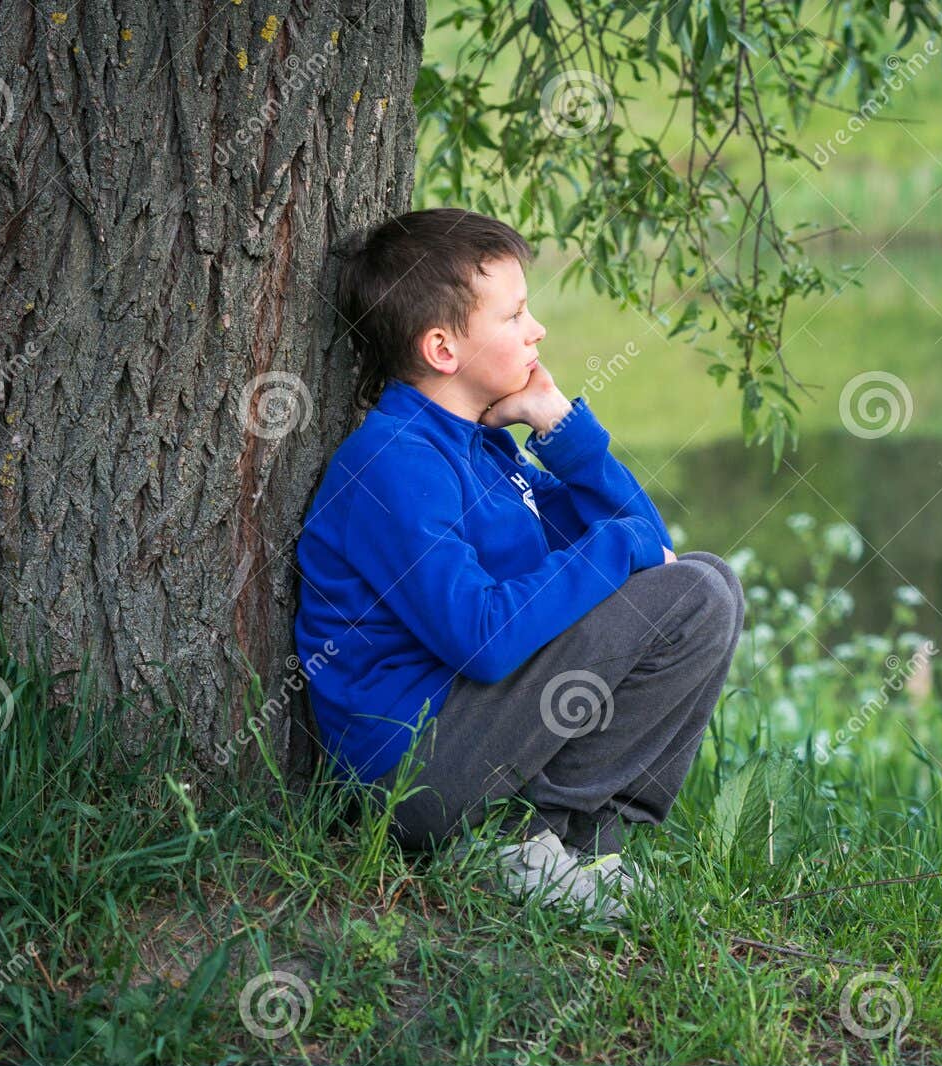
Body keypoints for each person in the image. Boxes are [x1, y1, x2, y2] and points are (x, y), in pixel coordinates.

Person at [293, 207, 744, 921]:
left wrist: (562, 429)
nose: (537, 331)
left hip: (472, 732)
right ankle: (517, 845)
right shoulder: (394, 463)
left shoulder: (486, 446)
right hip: (412, 769)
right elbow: (483, 636)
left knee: (710, 582)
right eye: (515, 315)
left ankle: (579, 844)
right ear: (443, 347)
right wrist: (619, 549)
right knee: (696, 591)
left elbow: (656, 552)